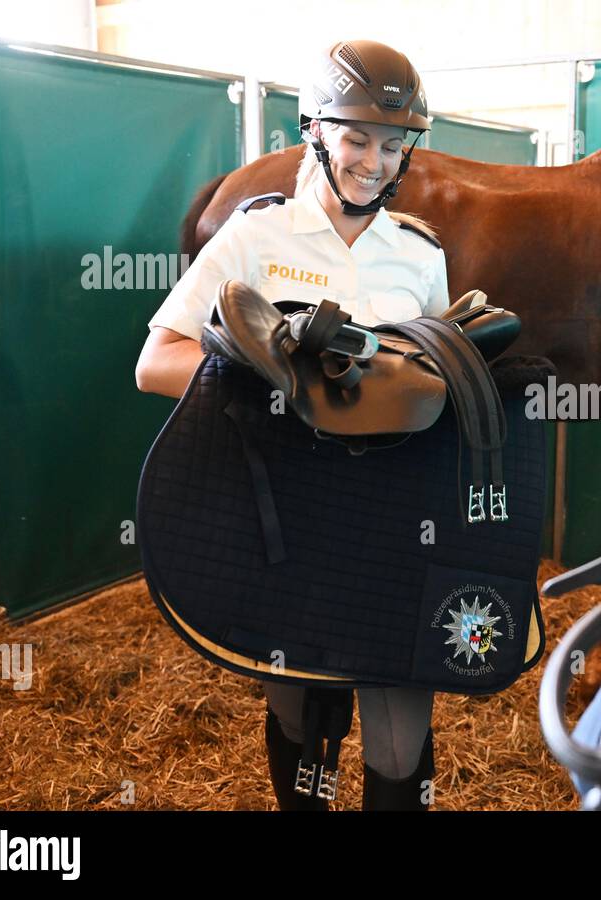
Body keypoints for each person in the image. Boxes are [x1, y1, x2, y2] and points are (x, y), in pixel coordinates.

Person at [135, 39, 448, 811]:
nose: (374, 162)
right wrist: (280, 376)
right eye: (356, 139)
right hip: (288, 514)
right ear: (314, 130)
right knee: (301, 706)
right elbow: (156, 361)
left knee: (400, 713)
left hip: (392, 517)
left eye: (391, 144)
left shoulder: (419, 254)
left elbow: (436, 384)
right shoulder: (254, 236)